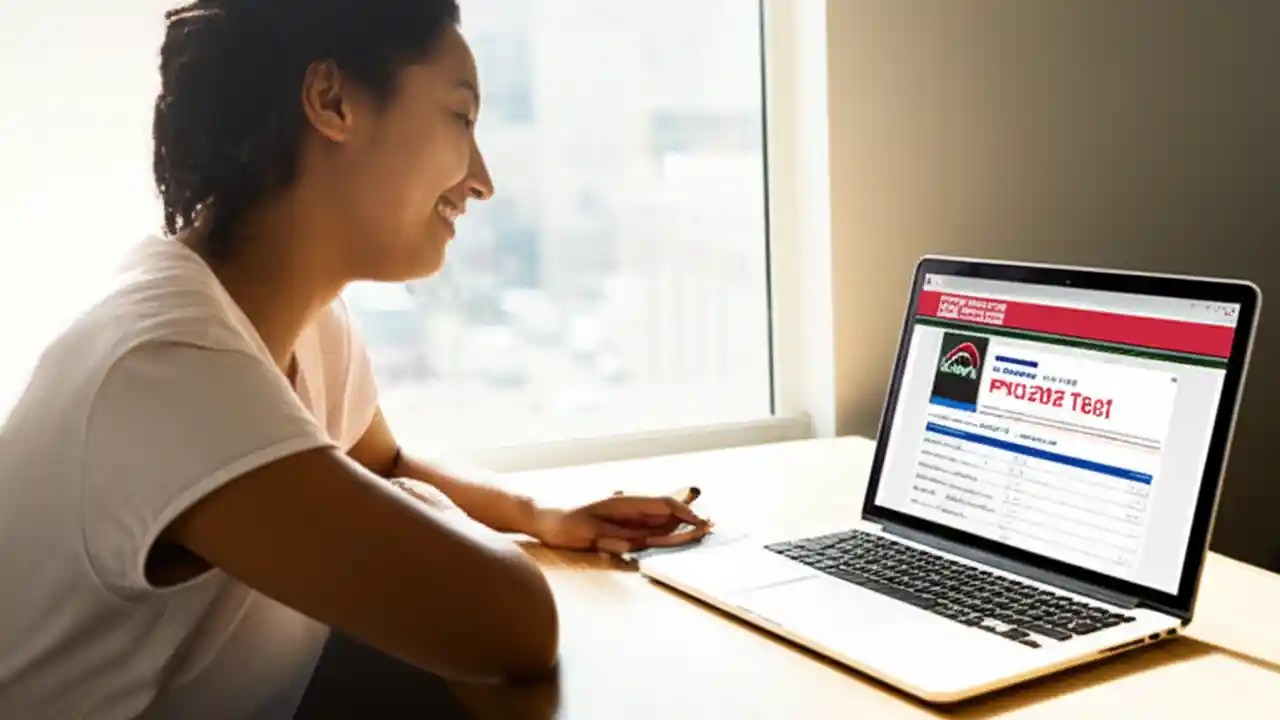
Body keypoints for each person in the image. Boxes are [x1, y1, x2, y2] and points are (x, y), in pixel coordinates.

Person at [0, 1, 711, 717]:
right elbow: (514, 626)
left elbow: (382, 465)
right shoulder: (170, 367)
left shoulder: (299, 322)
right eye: (461, 119)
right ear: (331, 100)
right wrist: (421, 512)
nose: (482, 179)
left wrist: (537, 514)